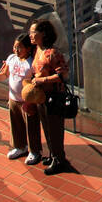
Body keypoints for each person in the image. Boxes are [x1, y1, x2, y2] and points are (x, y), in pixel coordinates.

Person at [0, 34, 44, 165]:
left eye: (19, 48)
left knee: (31, 126)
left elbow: (36, 81)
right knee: (16, 124)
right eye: (15, 47)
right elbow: (5, 75)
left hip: (27, 101)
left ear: (27, 48)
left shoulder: (32, 63)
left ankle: (35, 151)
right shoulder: (11, 59)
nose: (16, 50)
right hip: (13, 98)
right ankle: (20, 147)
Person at [29, 19, 71, 175]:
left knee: (55, 130)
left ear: (43, 34)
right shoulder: (38, 50)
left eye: (33, 32)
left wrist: (42, 80)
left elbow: (63, 74)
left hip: (54, 97)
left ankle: (59, 159)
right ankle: (53, 155)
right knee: (46, 128)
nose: (31, 35)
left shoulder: (52, 53)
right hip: (42, 96)